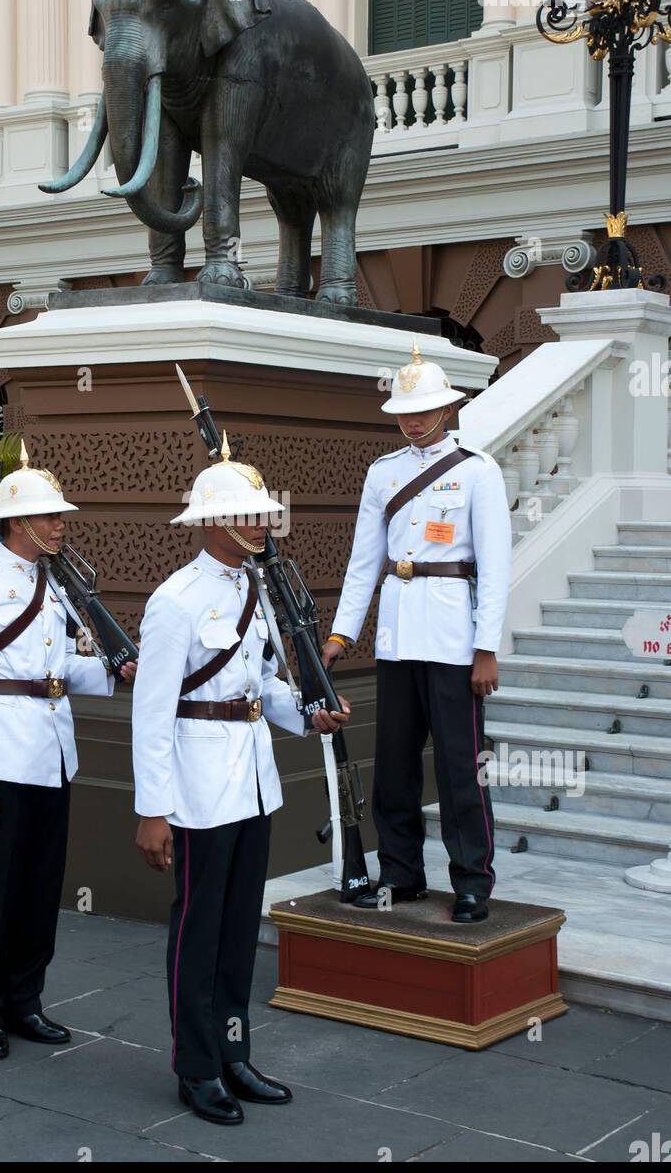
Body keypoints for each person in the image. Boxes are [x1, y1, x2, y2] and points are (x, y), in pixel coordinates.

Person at [133, 439, 350, 1125]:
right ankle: (196, 1069)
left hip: (251, 780)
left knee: (236, 933)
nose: (261, 524)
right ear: (211, 522)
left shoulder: (253, 588)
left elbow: (260, 685)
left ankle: (233, 1053)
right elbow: (152, 711)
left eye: (262, 513)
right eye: (248, 514)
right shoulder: (176, 601)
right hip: (196, 788)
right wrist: (152, 810)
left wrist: (306, 714)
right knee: (198, 933)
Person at [0, 444, 136, 1060]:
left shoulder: (56, 588)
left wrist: (111, 669)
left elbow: (55, 673)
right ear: (19, 524)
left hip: (53, 753)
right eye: (51, 517)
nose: (61, 525)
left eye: (60, 516)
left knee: (39, 886)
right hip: (1, 758)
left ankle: (26, 1001)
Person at [322, 341, 511, 924]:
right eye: (404, 411)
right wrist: (340, 636)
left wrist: (486, 649)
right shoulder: (384, 473)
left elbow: (497, 564)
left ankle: (473, 881)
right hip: (399, 637)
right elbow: (363, 562)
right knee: (394, 765)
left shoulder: (478, 470)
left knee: (460, 769)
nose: (411, 421)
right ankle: (401, 873)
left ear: (447, 410)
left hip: (455, 639)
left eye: (423, 410)